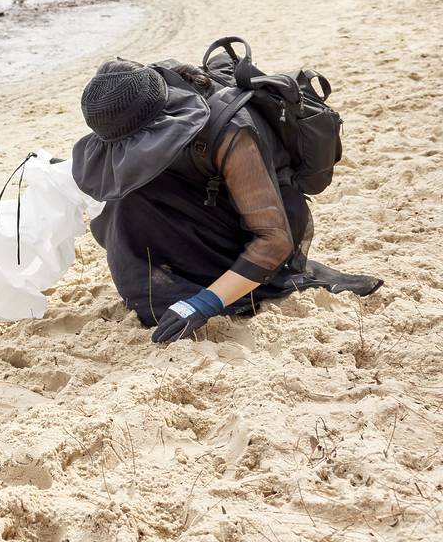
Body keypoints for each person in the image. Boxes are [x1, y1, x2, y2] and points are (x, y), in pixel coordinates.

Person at [70, 60, 380, 343]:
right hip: (208, 199)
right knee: (122, 197)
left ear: (154, 126)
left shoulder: (229, 131)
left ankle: (210, 284)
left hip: (260, 225)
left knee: (131, 206)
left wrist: (203, 304)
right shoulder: (145, 96)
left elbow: (274, 239)